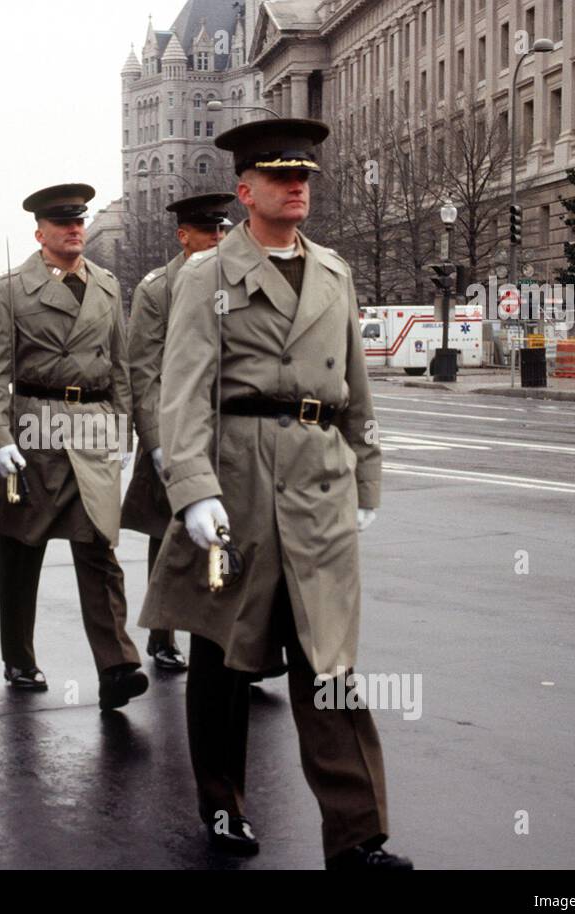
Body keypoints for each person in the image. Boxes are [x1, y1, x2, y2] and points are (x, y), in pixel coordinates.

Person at [138, 119, 411, 869]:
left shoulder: (334, 271)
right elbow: (183, 393)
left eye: (306, 176)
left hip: (319, 478)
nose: (298, 186)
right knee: (224, 652)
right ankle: (223, 804)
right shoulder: (206, 277)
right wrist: (191, 489)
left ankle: (358, 835)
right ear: (245, 189)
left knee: (329, 661)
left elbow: (356, 389)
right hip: (241, 479)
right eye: (281, 176)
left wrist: (365, 475)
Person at [0, 183, 147, 710]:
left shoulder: (109, 286)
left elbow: (120, 366)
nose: (75, 229)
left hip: (91, 427)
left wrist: (121, 429)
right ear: (40, 232)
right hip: (34, 426)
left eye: (79, 220)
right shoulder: (10, 288)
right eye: (63, 222)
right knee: (23, 548)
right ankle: (19, 655)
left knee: (99, 548)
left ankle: (117, 664)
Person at [121, 192, 233, 673]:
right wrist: (157, 440)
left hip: (226, 426)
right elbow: (143, 369)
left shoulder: (235, 277)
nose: (218, 239)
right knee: (168, 533)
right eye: (208, 232)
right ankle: (163, 633)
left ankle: (230, 639)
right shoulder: (156, 289)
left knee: (230, 530)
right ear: (182, 235)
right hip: (175, 425)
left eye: (223, 231)